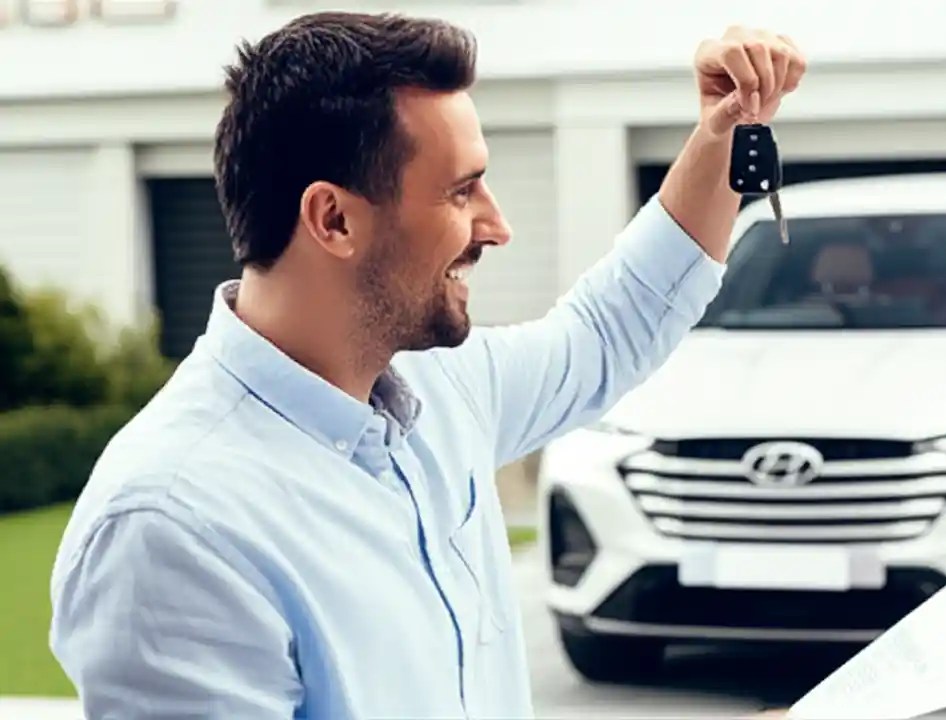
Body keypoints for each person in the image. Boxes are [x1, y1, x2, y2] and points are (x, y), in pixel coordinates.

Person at [48, 11, 806, 719]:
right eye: (461, 191)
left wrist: (721, 134)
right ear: (334, 219)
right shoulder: (172, 527)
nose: (498, 226)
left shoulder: (442, 388)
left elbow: (610, 330)